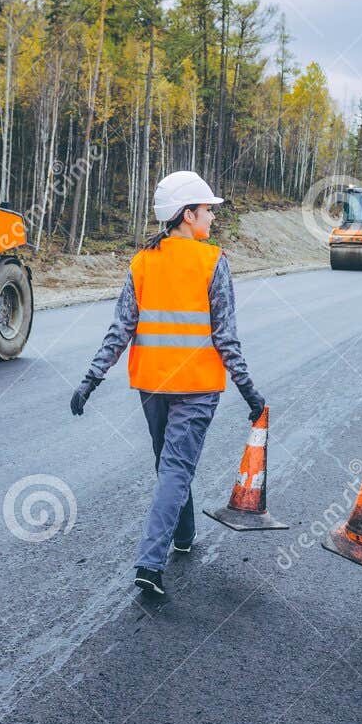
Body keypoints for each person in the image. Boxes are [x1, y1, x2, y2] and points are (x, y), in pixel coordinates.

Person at [70, 171, 266, 596]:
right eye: (207, 210)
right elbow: (226, 337)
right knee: (175, 468)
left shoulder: (143, 261)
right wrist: (249, 390)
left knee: (170, 465)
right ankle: (149, 563)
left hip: (153, 386)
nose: (212, 217)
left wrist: (91, 379)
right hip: (196, 388)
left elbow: (120, 329)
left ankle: (183, 534)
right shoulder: (213, 262)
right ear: (187, 214)